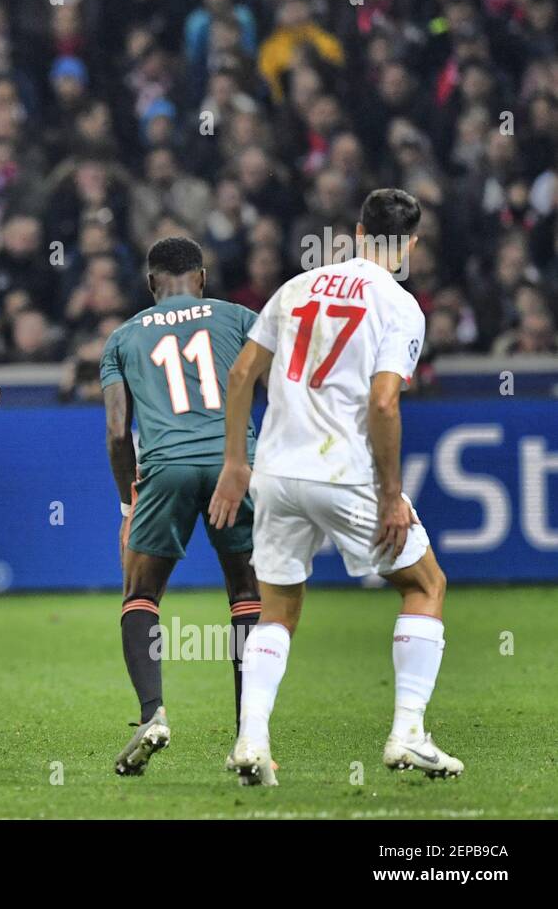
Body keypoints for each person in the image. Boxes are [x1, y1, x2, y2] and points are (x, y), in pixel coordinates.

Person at [209, 189, 462, 785]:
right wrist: (391, 493)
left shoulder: (296, 288)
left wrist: (235, 462)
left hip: (274, 471)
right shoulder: (399, 306)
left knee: (276, 610)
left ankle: (251, 740)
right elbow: (382, 401)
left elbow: (243, 372)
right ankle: (407, 733)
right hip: (344, 472)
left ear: (355, 230)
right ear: (411, 245)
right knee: (425, 585)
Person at [100, 236, 261, 776]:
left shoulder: (122, 339)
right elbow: (285, 384)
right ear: (203, 277)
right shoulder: (237, 317)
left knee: (140, 594)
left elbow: (118, 433)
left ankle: (153, 715)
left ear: (151, 284)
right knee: (246, 593)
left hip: (166, 468)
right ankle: (249, 738)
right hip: (236, 466)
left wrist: (129, 504)